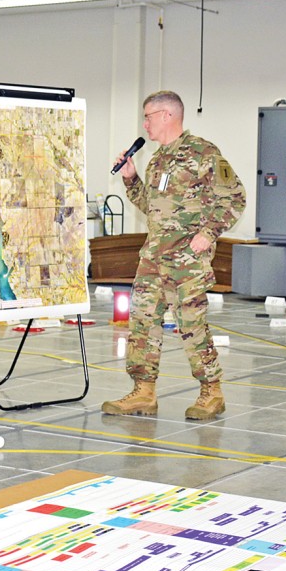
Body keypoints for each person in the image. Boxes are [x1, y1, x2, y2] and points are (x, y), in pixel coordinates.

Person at [102, 90, 245, 420]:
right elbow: (150, 207)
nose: (144, 124)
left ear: (167, 115)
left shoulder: (203, 153)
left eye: (148, 117)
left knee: (191, 327)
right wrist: (131, 178)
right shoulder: (157, 160)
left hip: (186, 263)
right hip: (153, 259)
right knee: (142, 324)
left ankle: (212, 392)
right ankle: (143, 391)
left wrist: (207, 234)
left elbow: (235, 199)